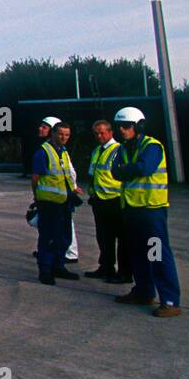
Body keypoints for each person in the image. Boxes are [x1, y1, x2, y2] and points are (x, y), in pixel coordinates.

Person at [109, 107, 181, 317]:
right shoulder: (122, 149)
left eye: (127, 126)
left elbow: (144, 168)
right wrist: (127, 170)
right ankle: (143, 292)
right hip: (132, 210)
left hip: (151, 212)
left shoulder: (152, 146)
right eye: (120, 126)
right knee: (138, 255)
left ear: (139, 126)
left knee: (157, 255)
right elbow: (115, 171)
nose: (122, 130)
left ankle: (170, 300)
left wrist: (126, 170)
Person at [32, 121, 82, 284]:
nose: (64, 138)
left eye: (67, 135)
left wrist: (73, 189)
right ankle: (45, 270)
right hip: (49, 203)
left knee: (64, 237)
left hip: (65, 202)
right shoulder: (43, 152)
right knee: (48, 238)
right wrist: (37, 198)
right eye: (61, 134)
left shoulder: (64, 152)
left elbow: (66, 174)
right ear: (53, 133)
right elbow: (36, 179)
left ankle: (58, 266)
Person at [85, 120, 129, 283]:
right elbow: (93, 173)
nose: (99, 136)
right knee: (104, 237)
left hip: (115, 200)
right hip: (99, 200)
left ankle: (124, 272)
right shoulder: (97, 150)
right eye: (96, 133)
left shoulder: (118, 149)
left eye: (102, 132)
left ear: (110, 132)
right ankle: (106, 267)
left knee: (121, 238)